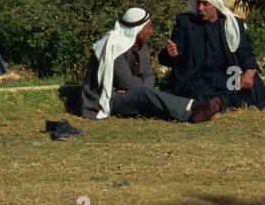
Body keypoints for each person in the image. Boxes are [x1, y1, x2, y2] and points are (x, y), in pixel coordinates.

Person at [81, 7, 224, 123]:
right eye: (148, 28)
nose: (151, 31)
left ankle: (195, 111)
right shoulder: (114, 48)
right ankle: (196, 108)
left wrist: (137, 89)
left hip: (129, 93)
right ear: (136, 30)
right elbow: (128, 82)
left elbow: (149, 75)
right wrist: (135, 89)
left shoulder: (139, 45)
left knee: (149, 94)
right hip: (106, 100)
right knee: (146, 94)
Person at [159, 0, 265, 110]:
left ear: (216, 6)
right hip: (196, 78)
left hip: (224, 78)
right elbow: (169, 59)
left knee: (255, 83)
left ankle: (226, 102)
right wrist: (170, 54)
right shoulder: (186, 23)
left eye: (205, 4)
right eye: (198, 3)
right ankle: (220, 103)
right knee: (200, 93)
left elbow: (245, 52)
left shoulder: (231, 24)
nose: (200, 8)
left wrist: (249, 72)